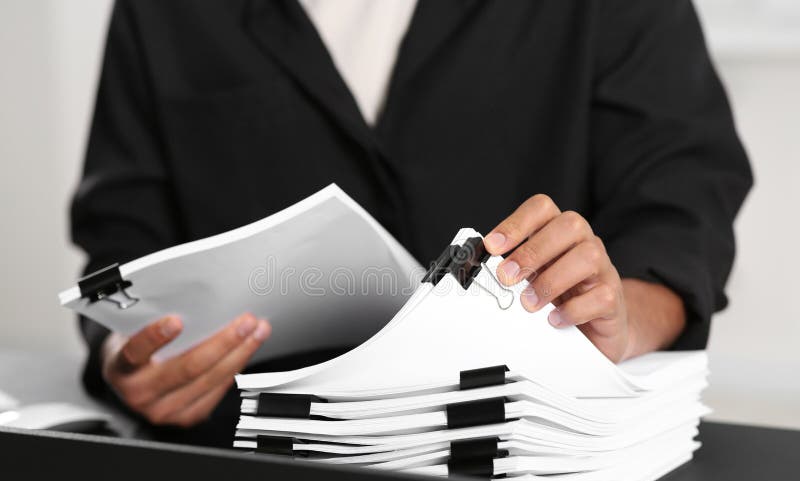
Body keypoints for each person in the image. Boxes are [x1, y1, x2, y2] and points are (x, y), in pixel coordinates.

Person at [71, 0, 752, 447]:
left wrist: (627, 312)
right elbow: (118, 243)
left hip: (530, 462)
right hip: (245, 467)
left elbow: (684, 192)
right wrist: (125, 361)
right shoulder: (160, 11)